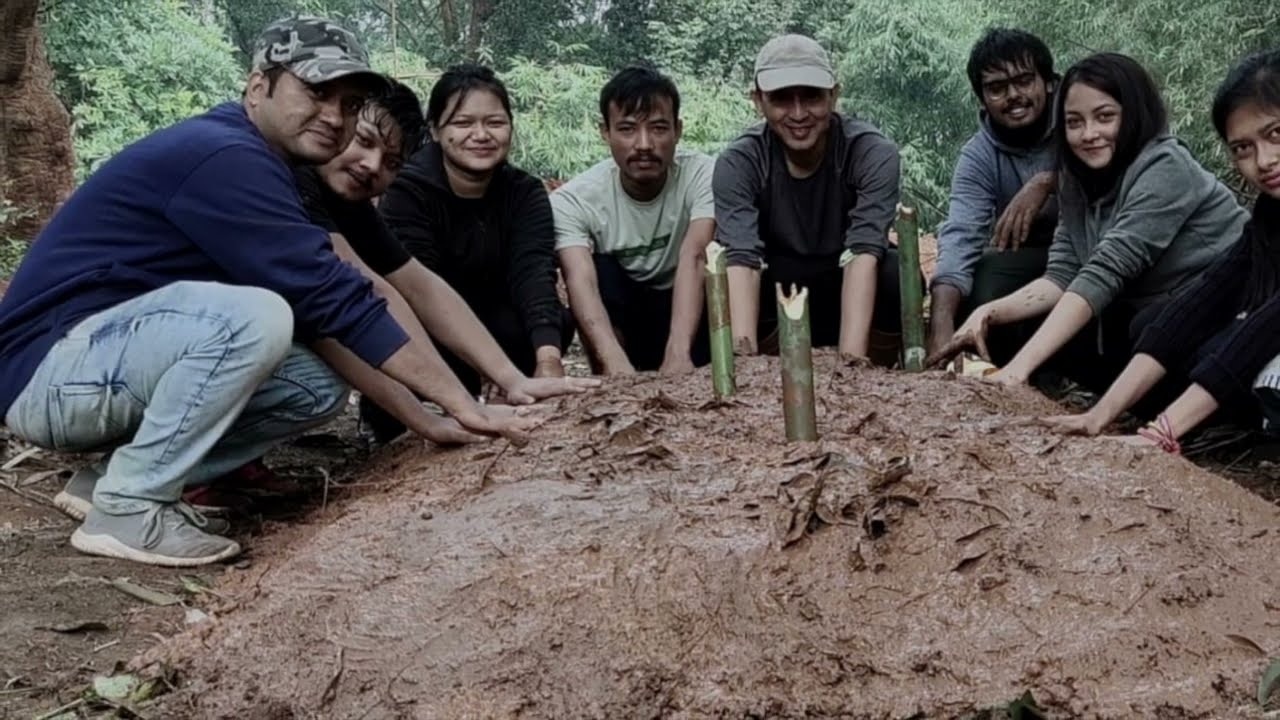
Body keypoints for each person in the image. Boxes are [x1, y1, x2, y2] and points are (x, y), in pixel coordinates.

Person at [0, 17, 533, 567]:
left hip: (102, 360)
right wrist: (457, 408)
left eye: (350, 105)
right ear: (259, 87)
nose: (335, 117)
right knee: (257, 316)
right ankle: (130, 508)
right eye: (316, 91)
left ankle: (114, 482)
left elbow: (407, 282)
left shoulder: (278, 167)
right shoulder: (227, 157)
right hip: (50, 370)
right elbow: (340, 297)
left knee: (312, 384)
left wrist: (505, 384)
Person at [294, 79, 597, 445]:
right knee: (317, 387)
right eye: (364, 140)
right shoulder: (292, 182)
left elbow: (419, 283)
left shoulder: (350, 203)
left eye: (392, 161)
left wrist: (513, 378)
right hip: (236, 332)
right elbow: (366, 297)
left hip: (474, 328)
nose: (371, 165)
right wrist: (448, 411)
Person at [933, 52, 1248, 391]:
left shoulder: (1165, 165)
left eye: (1105, 117)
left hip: (1230, 309)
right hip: (1154, 308)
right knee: (1045, 327)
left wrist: (1016, 369)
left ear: (1133, 115)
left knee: (1146, 327)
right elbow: (1062, 274)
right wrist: (987, 313)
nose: (1089, 134)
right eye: (1074, 122)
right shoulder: (1075, 179)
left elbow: (1105, 272)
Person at [1042, 49, 1280, 450]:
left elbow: (1265, 326)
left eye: (1275, 134)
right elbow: (1203, 301)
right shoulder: (1269, 216)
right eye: (1242, 148)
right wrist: (1100, 415)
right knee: (1177, 333)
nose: (1264, 160)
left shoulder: (1165, 164)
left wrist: (1161, 432)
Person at [373, 64, 574, 443]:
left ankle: (516, 388)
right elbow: (417, 292)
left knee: (551, 322)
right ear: (435, 130)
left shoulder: (524, 192)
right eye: (463, 123)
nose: (480, 135)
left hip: (496, 326)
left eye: (494, 123)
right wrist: (481, 378)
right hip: (425, 331)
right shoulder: (405, 190)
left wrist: (549, 363)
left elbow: (533, 273)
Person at [714, 34, 903, 363]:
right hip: (779, 291)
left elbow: (863, 251)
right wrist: (743, 364)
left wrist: (850, 363)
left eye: (812, 97)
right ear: (758, 101)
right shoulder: (738, 163)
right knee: (718, 280)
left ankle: (878, 368)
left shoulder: (872, 153)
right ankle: (766, 365)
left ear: (833, 96)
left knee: (895, 272)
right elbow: (742, 261)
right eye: (782, 99)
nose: (798, 113)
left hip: (850, 283)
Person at [553, 65, 715, 375]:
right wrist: (614, 362)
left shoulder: (703, 174)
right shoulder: (574, 200)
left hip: (691, 314)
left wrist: (678, 352)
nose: (643, 144)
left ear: (678, 130)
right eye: (627, 129)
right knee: (599, 270)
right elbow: (578, 279)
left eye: (658, 128)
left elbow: (696, 255)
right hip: (627, 317)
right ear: (605, 132)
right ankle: (613, 374)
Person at [928, 28, 1060, 362]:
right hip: (1031, 260)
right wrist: (940, 324)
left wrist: (1048, 182)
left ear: (1048, 82)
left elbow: (1114, 172)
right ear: (982, 98)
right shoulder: (979, 155)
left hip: (1099, 251)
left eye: (1024, 80)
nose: (1013, 95)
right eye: (997, 88)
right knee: (983, 275)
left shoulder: (1078, 120)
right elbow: (961, 234)